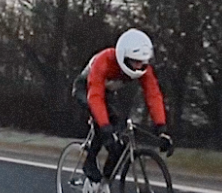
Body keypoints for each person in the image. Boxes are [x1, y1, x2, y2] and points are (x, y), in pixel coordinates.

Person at [71, 28, 174, 184]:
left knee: (119, 139)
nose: (139, 67)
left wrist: (161, 129)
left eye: (142, 62)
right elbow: (96, 98)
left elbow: (153, 96)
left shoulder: (144, 69)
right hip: (86, 88)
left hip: (107, 92)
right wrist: (105, 129)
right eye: (134, 61)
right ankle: (89, 162)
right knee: (104, 122)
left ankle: (104, 185)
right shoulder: (104, 61)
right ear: (123, 56)